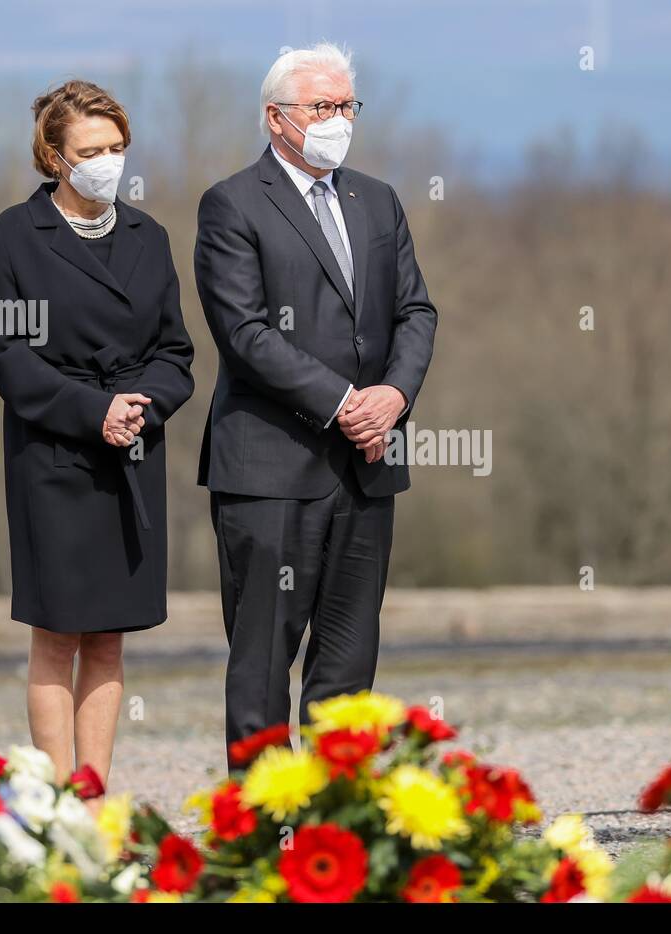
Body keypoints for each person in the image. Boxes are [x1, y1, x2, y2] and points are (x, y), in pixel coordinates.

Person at [194, 43, 437, 754]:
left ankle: (337, 830)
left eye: (345, 106)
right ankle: (264, 842)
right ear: (276, 118)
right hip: (271, 468)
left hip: (365, 468)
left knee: (348, 666)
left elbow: (417, 312)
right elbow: (244, 331)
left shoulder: (378, 200)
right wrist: (343, 402)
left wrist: (392, 395)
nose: (338, 119)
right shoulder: (233, 204)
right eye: (321, 107)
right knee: (264, 664)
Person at [0, 80, 194, 790]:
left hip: (133, 452)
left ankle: (94, 796)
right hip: (53, 453)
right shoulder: (11, 236)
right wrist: (89, 410)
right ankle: (55, 801)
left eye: (117, 147)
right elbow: (6, 357)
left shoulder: (150, 236)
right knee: (57, 632)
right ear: (53, 156)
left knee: (108, 635)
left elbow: (176, 353)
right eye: (91, 150)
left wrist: (144, 406)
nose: (109, 161)